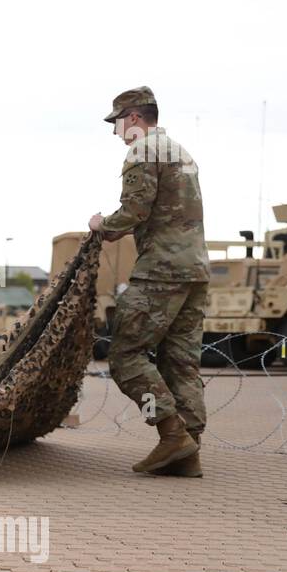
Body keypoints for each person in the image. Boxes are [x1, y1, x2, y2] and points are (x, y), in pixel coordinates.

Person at [88, 86, 210, 477]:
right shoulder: (180, 151)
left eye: (118, 122)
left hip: (160, 270)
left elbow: (135, 210)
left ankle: (172, 434)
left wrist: (101, 227)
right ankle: (188, 453)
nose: (116, 132)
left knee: (125, 357)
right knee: (182, 364)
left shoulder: (142, 150)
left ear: (135, 118)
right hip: (194, 270)